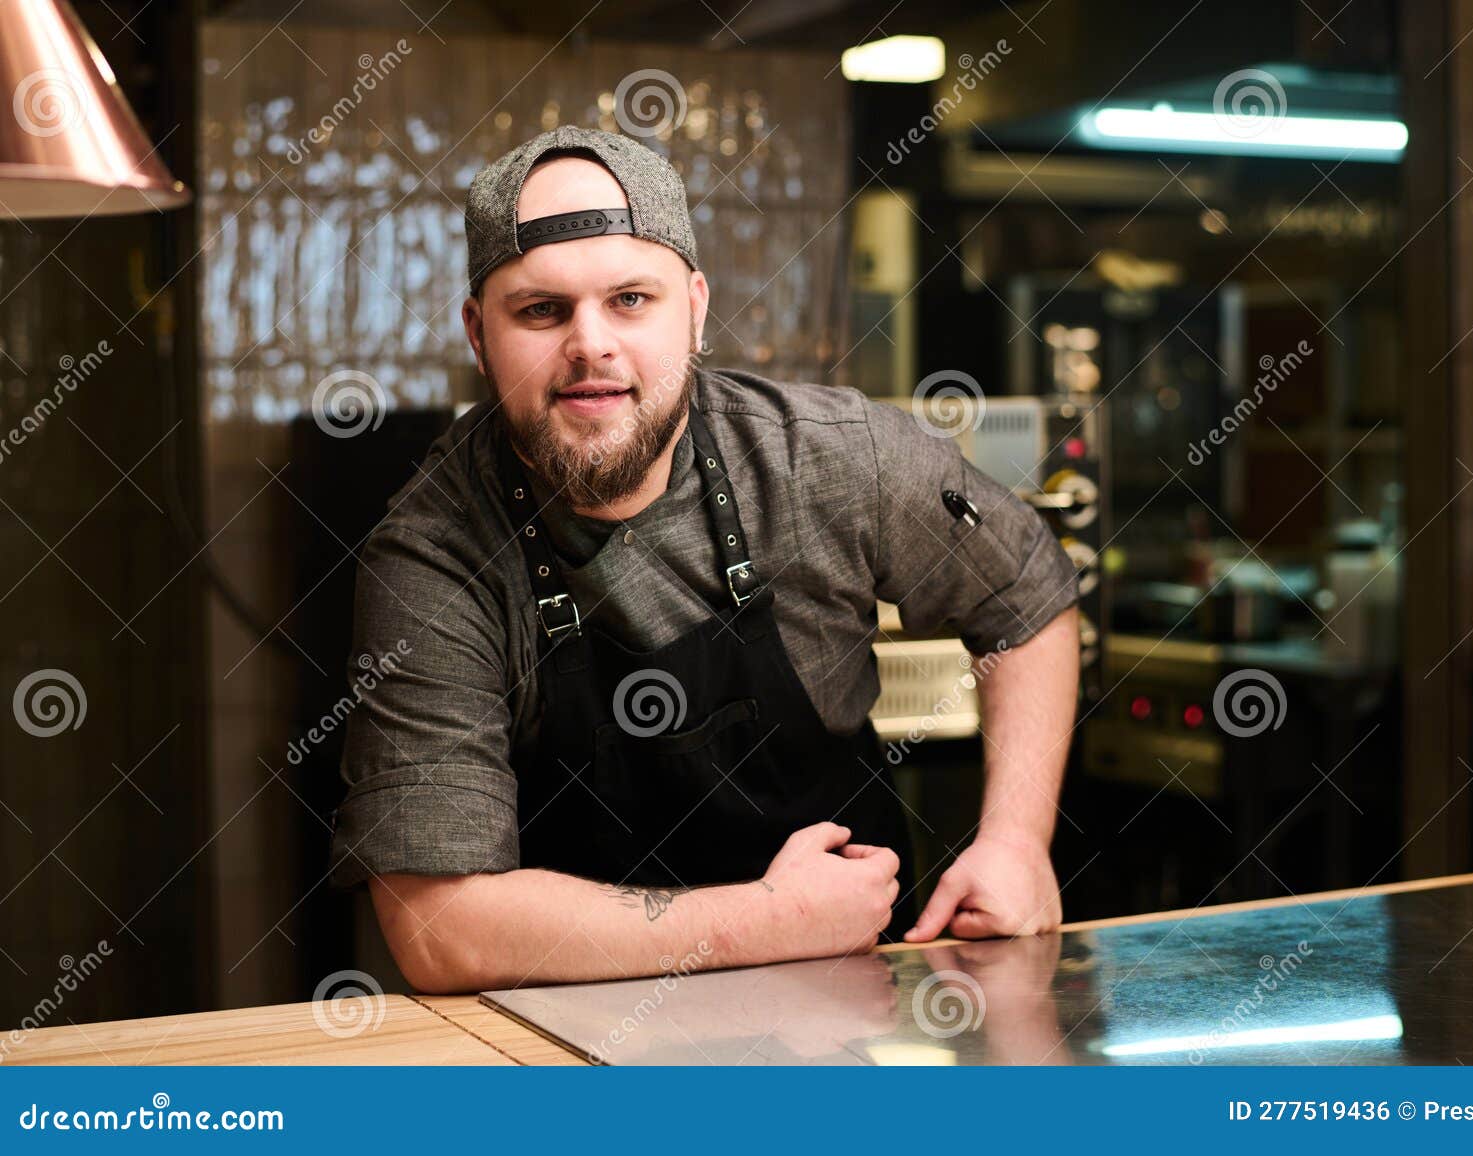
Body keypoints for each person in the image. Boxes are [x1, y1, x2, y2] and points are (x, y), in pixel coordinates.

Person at [327, 125, 1081, 992]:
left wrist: (1016, 842)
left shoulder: (830, 459)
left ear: (694, 307)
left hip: (857, 1019)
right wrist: (769, 922)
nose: (590, 345)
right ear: (477, 332)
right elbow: (439, 929)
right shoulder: (433, 556)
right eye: (541, 310)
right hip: (572, 1041)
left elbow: (1026, 596)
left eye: (630, 299)